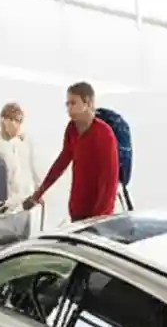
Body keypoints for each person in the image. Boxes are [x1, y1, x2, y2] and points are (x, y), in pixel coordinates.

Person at [22, 82, 118, 222]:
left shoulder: (104, 135)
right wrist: (37, 195)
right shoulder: (72, 129)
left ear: (88, 103)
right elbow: (61, 163)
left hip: (98, 213)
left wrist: (99, 217)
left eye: (73, 103)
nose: (69, 109)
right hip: (77, 209)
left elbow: (109, 181)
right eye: (67, 104)